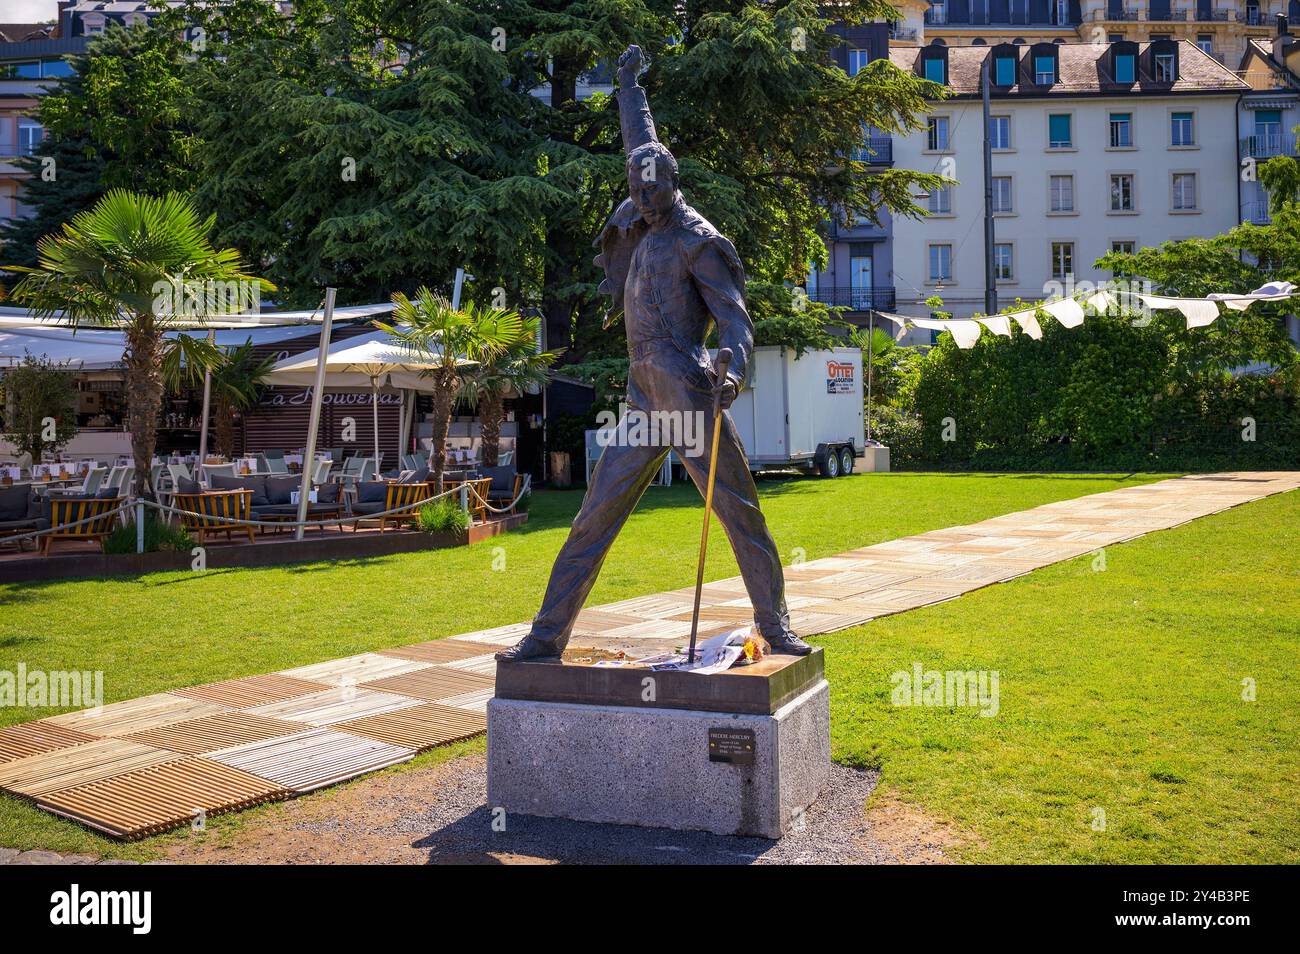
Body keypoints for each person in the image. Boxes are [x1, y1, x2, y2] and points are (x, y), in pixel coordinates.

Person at [497, 46, 811, 662]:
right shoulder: (641, 216)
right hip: (643, 400)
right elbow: (639, 139)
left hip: (691, 396)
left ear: (674, 184)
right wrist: (627, 84)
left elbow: (736, 322)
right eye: (636, 192)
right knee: (593, 518)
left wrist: (735, 369)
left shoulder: (701, 243)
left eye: (652, 191)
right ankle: (544, 637)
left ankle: (774, 626)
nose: (641, 202)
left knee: (739, 515)